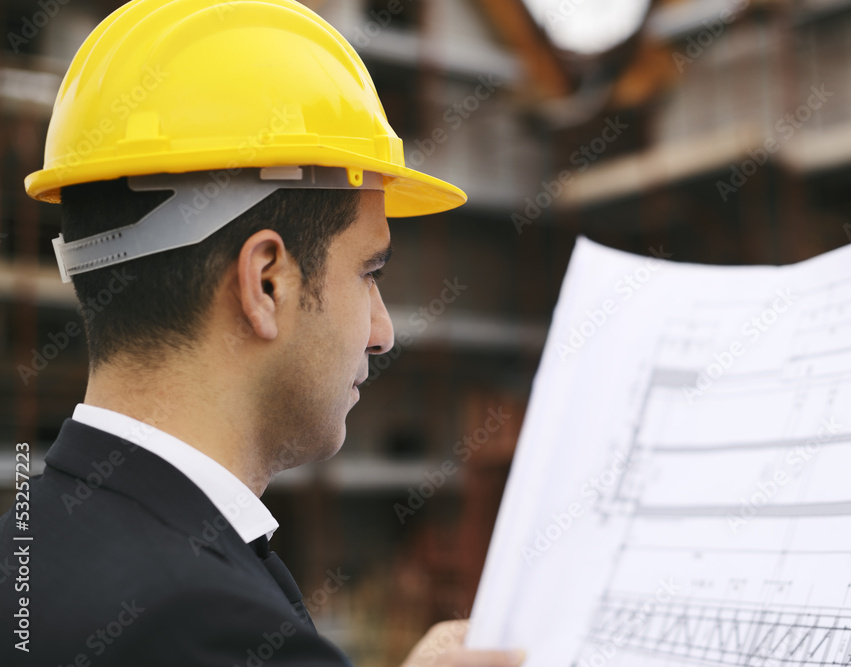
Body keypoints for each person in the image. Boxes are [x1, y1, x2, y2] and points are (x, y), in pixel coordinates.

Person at [0, 0, 525, 665]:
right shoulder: (215, 628)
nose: (383, 332)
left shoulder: (24, 556)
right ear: (266, 281)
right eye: (371, 271)